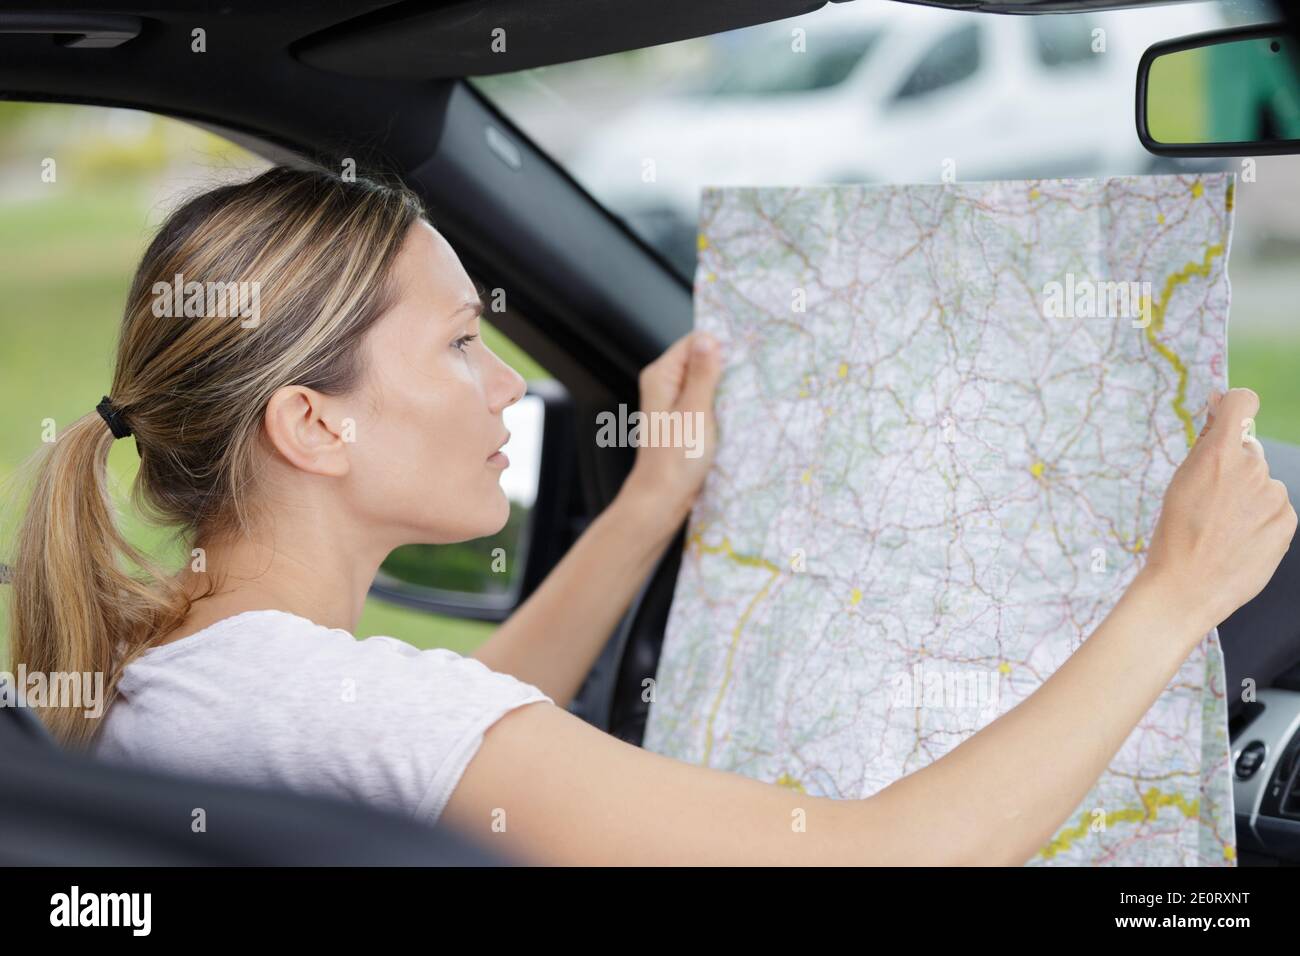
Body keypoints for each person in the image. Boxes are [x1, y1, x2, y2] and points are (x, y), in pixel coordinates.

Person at [6, 165, 1295, 865]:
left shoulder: (172, 669)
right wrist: (1176, 591)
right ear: (315, 425)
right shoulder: (361, 713)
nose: (511, 385)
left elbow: (439, 743)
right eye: (461, 346)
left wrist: (651, 501)